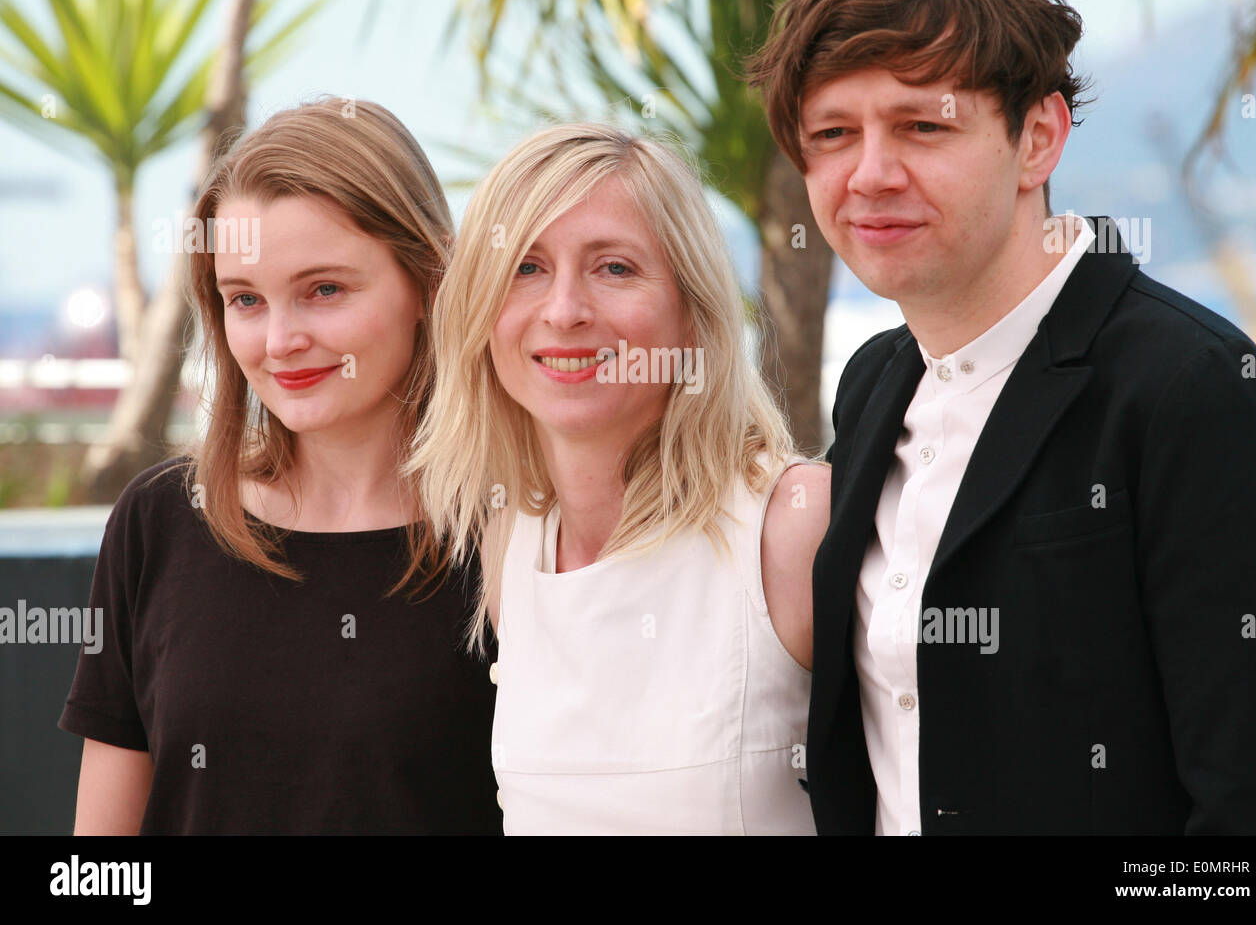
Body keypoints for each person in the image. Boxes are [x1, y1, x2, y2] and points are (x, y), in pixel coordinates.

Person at [746, 0, 1256, 834]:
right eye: (832, 134)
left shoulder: (1192, 390)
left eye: (923, 125)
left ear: (1038, 137)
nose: (870, 173)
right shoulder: (873, 383)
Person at [58, 98, 501, 835]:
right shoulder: (160, 519)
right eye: (246, 299)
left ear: (428, 280)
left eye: (324, 289)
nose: (280, 339)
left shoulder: (513, 533)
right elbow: (102, 859)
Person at [407, 122, 829, 834]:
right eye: (526, 268)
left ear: (692, 312)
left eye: (615, 268)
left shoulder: (791, 525)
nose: (565, 310)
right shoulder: (512, 538)